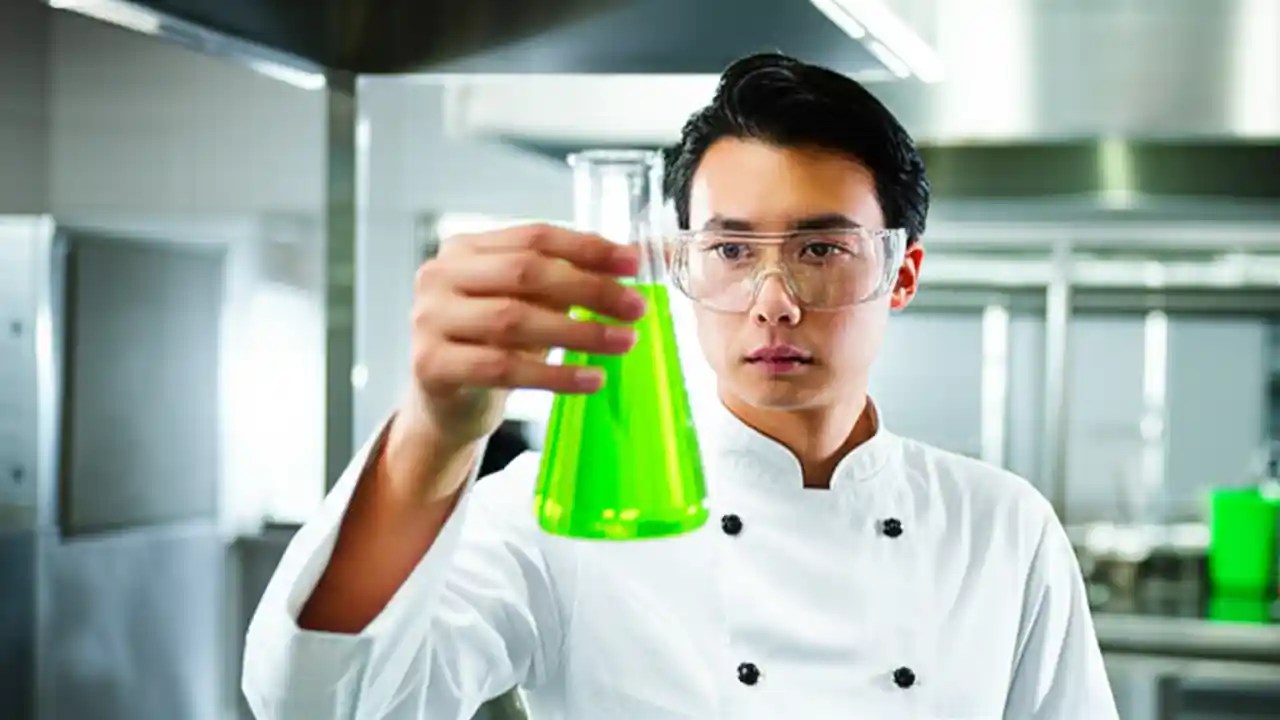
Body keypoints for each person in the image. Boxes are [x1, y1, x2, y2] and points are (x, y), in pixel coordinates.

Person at [242, 53, 1118, 719]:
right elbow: (322, 702)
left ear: (901, 272)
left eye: (820, 250)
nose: (773, 303)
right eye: (732, 251)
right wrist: (435, 427)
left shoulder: (1001, 527)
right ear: (683, 265)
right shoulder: (571, 514)